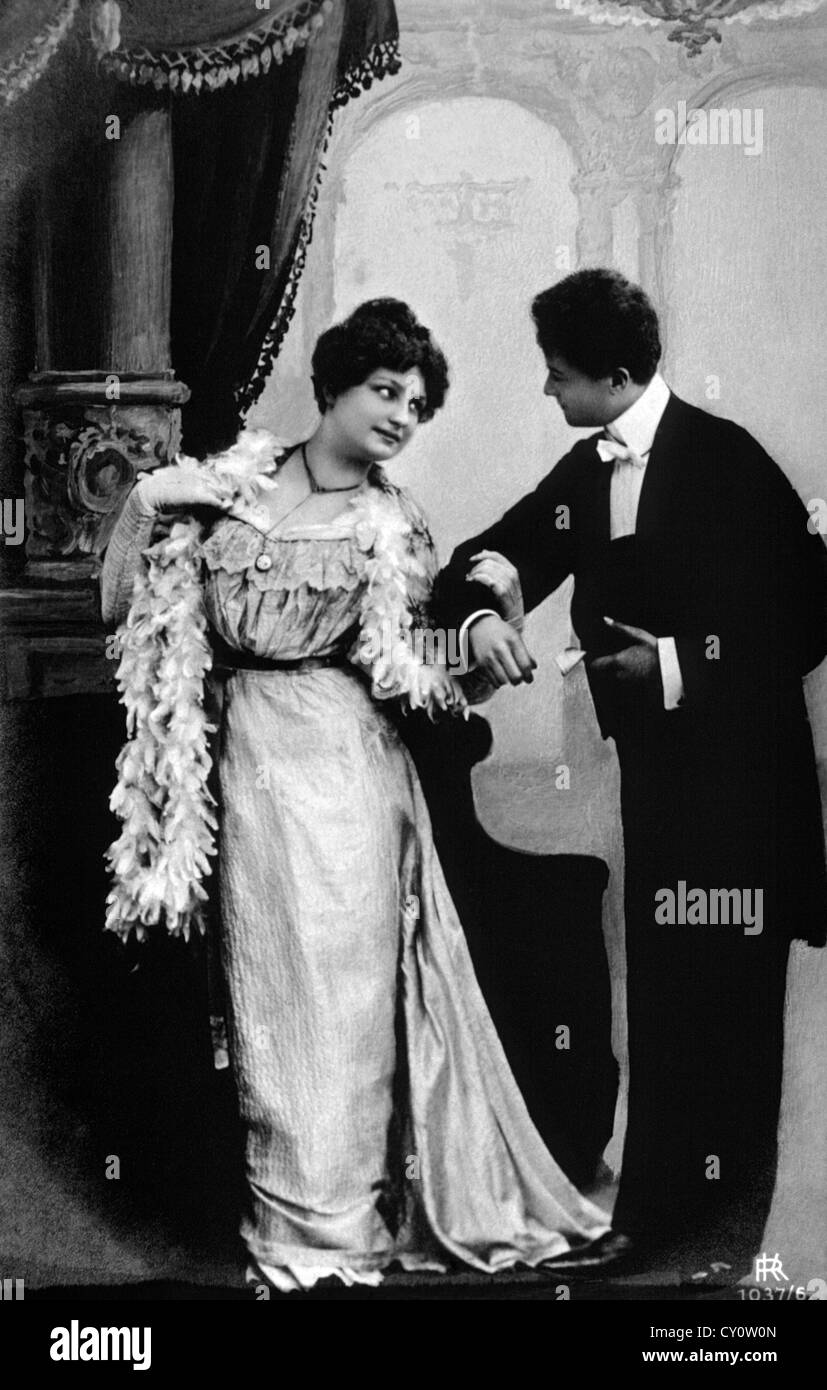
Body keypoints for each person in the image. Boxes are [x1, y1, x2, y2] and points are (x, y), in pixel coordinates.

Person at [100, 298, 609, 1292]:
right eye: (384, 391)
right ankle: (287, 1223)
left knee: (350, 1005)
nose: (399, 415)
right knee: (271, 1003)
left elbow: (405, 665)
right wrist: (143, 501)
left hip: (351, 779)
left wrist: (480, 637)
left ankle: (345, 1237)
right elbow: (123, 613)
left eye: (416, 404)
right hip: (245, 773)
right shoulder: (226, 493)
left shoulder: (393, 523)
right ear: (333, 387)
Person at [436, 269, 827, 1277]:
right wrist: (484, 610)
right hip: (660, 785)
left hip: (745, 789)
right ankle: (651, 1222)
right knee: (660, 990)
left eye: (556, 374)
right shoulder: (585, 469)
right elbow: (497, 550)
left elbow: (802, 622)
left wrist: (661, 666)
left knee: (730, 1003)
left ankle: (721, 1239)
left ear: (613, 374)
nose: (545, 391)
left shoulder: (729, 462)